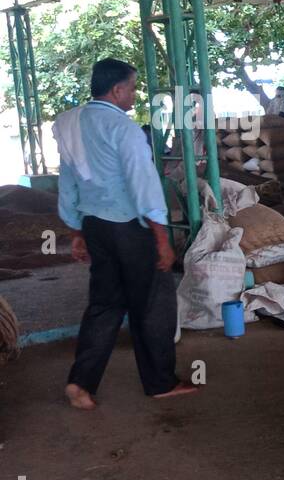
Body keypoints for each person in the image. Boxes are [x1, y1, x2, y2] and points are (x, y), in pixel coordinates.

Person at [54, 58, 200, 411]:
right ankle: (161, 382)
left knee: (104, 305)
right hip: (129, 229)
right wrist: (162, 239)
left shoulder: (70, 124)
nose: (135, 95)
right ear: (117, 90)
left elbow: (68, 183)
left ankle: (80, 383)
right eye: (133, 88)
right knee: (152, 303)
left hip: (95, 226)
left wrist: (76, 231)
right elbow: (144, 184)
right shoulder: (125, 129)